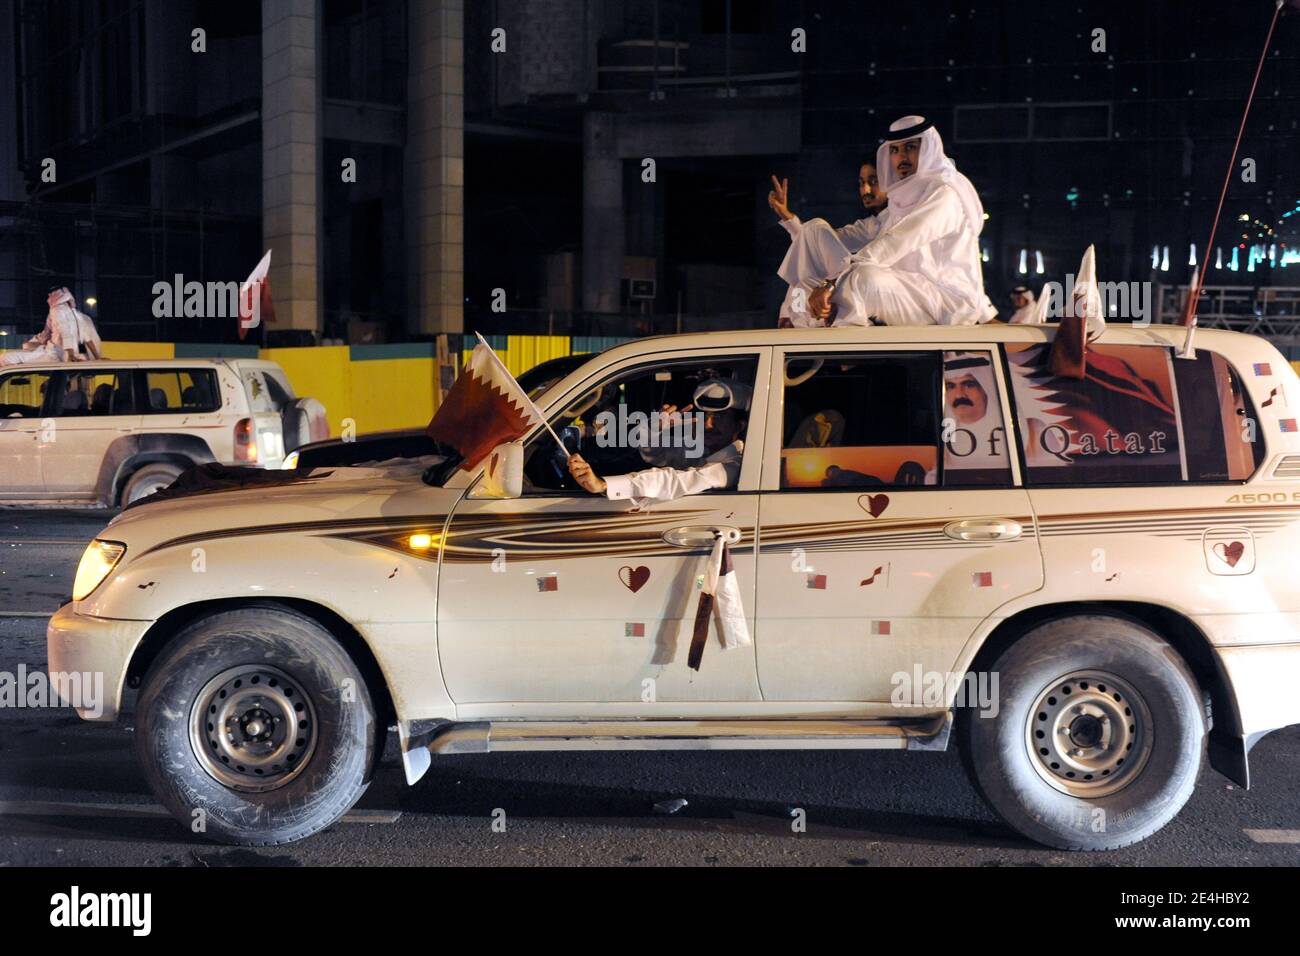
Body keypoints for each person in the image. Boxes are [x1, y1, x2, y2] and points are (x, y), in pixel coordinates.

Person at [802, 115, 997, 327]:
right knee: (817, 270)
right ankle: (809, 335)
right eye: (895, 150)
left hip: (948, 301)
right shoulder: (900, 200)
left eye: (910, 147)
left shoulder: (945, 194)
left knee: (860, 279)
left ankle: (846, 355)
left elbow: (896, 242)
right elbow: (846, 240)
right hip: (915, 291)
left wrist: (832, 283)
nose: (901, 156)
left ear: (928, 148)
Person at [567, 377, 750, 506]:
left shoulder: (737, 462)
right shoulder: (701, 449)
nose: (708, 424)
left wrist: (604, 484)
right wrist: (655, 427)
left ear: (739, 425)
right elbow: (654, 452)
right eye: (705, 416)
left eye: (719, 417)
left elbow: (675, 481)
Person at [769, 163, 887, 326]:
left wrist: (830, 285)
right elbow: (816, 240)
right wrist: (787, 216)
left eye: (873, 182)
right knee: (802, 284)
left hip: (879, 296)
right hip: (847, 294)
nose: (865, 190)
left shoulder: (904, 218)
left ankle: (793, 316)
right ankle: (793, 319)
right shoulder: (870, 225)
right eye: (861, 183)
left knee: (815, 227)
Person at [1, 286, 101, 366]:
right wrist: (97, 358)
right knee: (27, 348)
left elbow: (65, 332)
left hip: (55, 354)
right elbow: (87, 338)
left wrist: (70, 355)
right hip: (71, 354)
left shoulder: (57, 310)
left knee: (4, 358)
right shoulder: (79, 315)